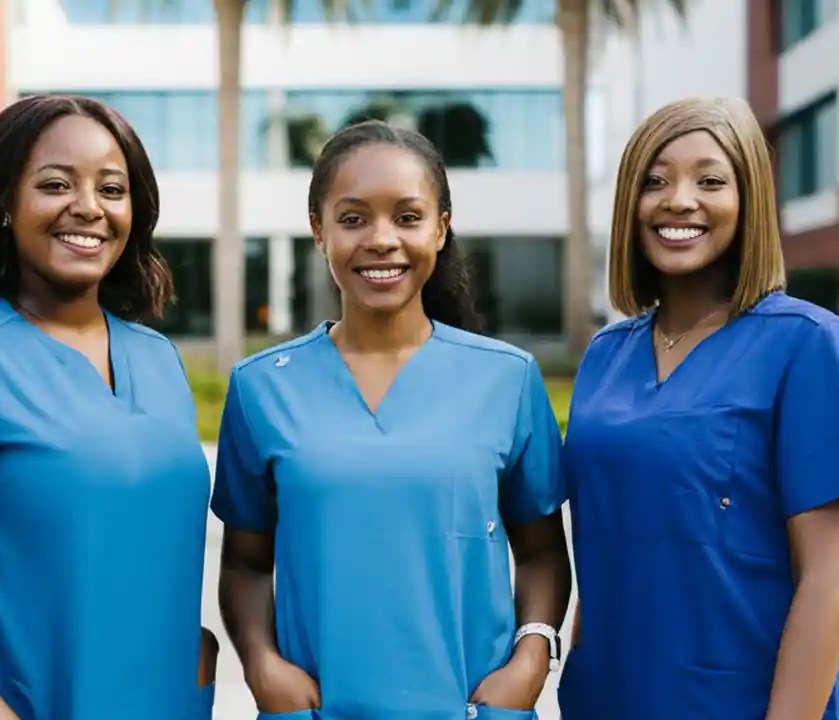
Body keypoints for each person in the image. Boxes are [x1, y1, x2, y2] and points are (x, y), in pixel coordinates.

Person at [0, 94, 216, 719]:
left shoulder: (158, 360)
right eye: (55, 184)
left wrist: (196, 662)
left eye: (112, 188)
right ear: (4, 205)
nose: (88, 208)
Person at [211, 120, 572, 720]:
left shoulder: (507, 379)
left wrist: (532, 657)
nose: (382, 240)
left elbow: (541, 552)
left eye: (407, 217)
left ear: (441, 227)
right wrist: (261, 664)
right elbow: (245, 562)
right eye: (353, 219)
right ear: (318, 231)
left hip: (470, 709)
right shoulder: (261, 388)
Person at [558, 97, 839, 719]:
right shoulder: (607, 356)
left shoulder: (807, 345)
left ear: (750, 201)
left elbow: (832, 578)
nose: (679, 200)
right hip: (615, 694)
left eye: (710, 180)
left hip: (753, 700)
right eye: (654, 181)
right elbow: (602, 547)